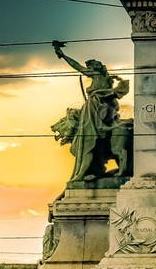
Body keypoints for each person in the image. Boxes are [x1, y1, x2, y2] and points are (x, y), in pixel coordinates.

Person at [51, 41, 129, 182]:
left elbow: (77, 66)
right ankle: (86, 168)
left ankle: (82, 172)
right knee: (87, 135)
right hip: (96, 108)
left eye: (92, 66)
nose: (89, 68)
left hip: (94, 109)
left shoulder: (97, 76)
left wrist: (63, 55)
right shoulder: (106, 79)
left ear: (96, 68)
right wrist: (62, 54)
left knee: (87, 139)